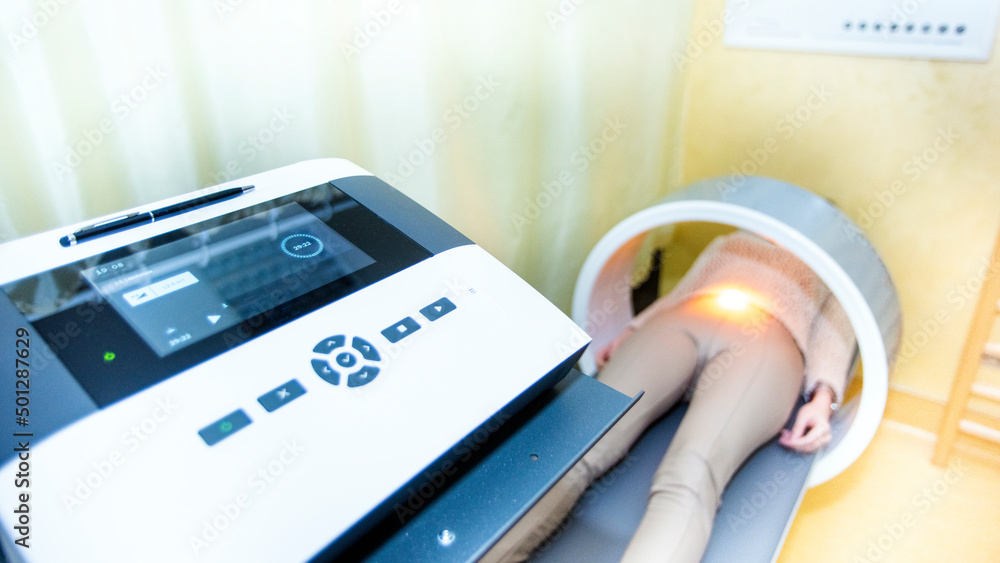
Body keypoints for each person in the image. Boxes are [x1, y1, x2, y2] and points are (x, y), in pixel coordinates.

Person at [485, 231, 855, 563]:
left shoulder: (825, 267)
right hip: (688, 315)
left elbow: (835, 336)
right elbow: (681, 293)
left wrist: (823, 397)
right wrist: (632, 329)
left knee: (691, 473)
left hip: (770, 339)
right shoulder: (734, 240)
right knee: (583, 445)